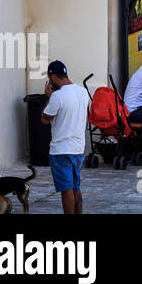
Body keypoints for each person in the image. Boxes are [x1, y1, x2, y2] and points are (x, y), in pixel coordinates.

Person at [40, 61, 89, 215]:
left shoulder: (57, 96)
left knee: (66, 190)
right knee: (75, 187)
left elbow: (44, 118)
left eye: (49, 78)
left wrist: (49, 96)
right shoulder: (83, 92)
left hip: (61, 150)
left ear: (53, 77)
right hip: (78, 148)